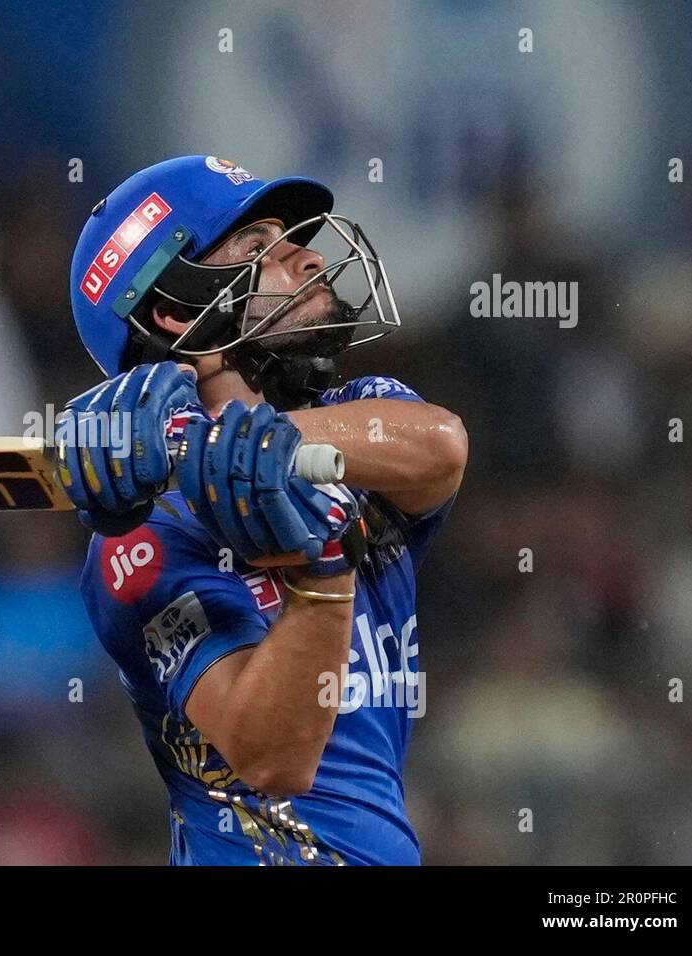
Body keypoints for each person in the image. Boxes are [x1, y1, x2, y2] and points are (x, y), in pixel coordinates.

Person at [58, 156, 467, 865]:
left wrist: (217, 444)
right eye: (260, 250)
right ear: (176, 309)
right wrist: (320, 571)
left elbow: (441, 445)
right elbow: (274, 756)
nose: (307, 257)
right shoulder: (147, 537)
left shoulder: (358, 415)